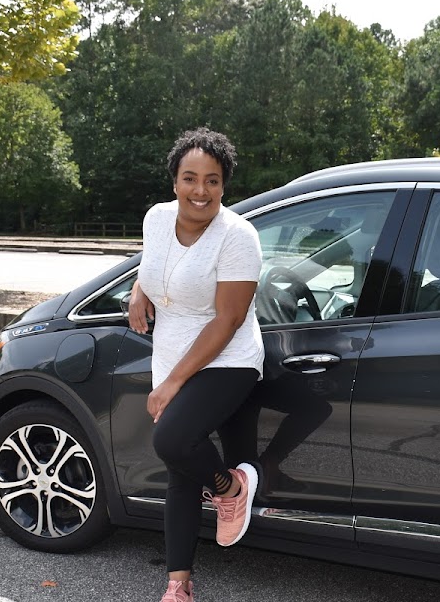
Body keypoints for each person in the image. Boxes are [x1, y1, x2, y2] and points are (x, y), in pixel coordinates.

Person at [128, 127, 264, 602]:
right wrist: (139, 290)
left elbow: (228, 320)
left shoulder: (238, 237)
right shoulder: (156, 219)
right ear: (175, 181)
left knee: (172, 439)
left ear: (224, 185)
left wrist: (172, 383)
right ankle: (178, 586)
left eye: (212, 180)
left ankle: (230, 489)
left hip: (228, 359)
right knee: (180, 471)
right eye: (190, 178)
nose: (200, 190)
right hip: (172, 351)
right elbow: (157, 265)